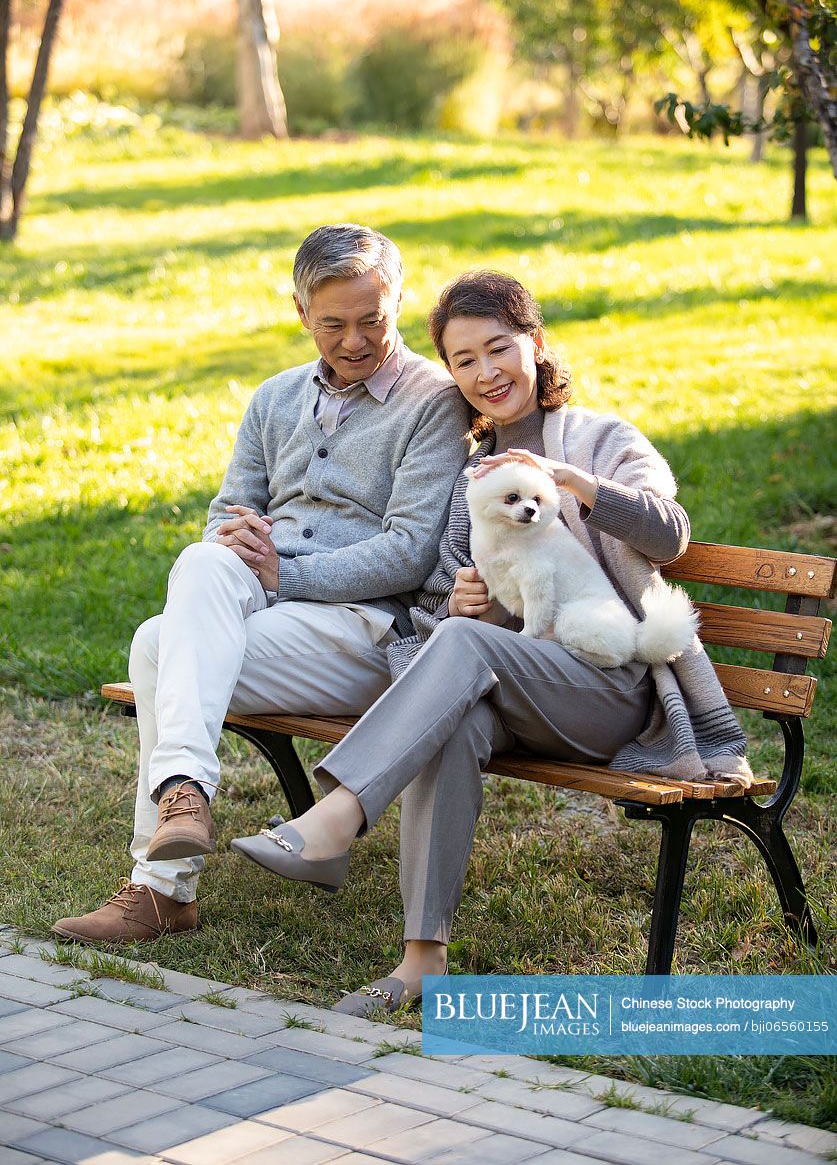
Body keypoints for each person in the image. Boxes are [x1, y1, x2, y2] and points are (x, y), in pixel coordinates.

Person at [231, 270, 751, 1016]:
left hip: (610, 689)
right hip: (526, 685)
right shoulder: (469, 473)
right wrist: (467, 602)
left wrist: (568, 479)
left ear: (535, 346)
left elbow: (668, 534)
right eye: (463, 360)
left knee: (465, 654)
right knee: (456, 717)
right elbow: (463, 599)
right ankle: (421, 961)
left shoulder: (603, 437)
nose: (485, 372)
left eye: (497, 348)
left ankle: (335, 818)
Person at [52, 224, 471, 943]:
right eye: (333, 323)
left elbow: (406, 552)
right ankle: (182, 804)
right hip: (268, 611)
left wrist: (286, 572)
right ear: (300, 312)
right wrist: (233, 541)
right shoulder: (273, 398)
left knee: (157, 647)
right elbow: (228, 515)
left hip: (366, 633)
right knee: (203, 562)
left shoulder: (431, 404)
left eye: (373, 318)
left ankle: (163, 884)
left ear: (396, 302)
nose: (355, 339)